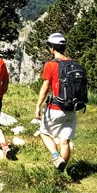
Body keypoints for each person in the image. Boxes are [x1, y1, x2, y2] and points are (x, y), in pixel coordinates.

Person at [34, 33, 78, 171]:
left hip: (55, 107)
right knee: (65, 142)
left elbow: (45, 87)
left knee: (44, 132)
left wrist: (38, 105)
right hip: (71, 108)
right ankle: (60, 171)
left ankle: (55, 156)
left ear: (52, 48)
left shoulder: (51, 65)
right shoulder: (73, 63)